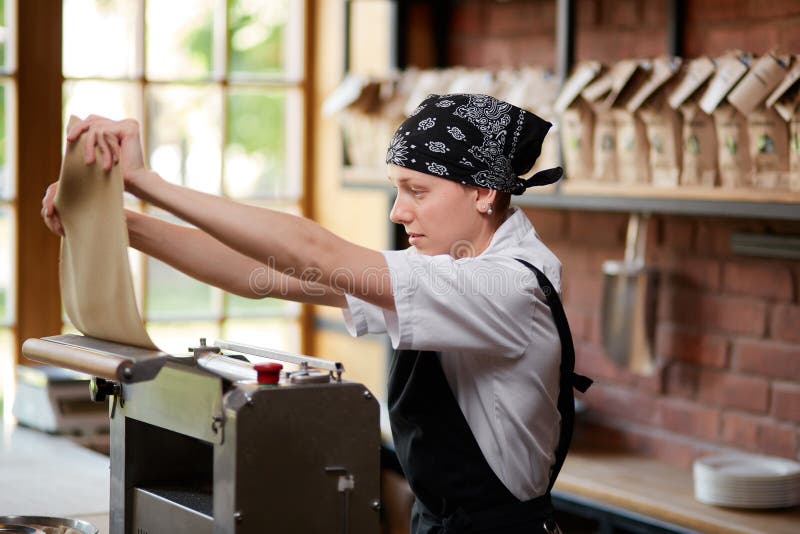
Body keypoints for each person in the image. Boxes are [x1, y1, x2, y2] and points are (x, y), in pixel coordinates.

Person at [43, 93, 590, 534]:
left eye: (417, 191)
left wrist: (148, 184)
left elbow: (315, 252)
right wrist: (122, 224)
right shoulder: (450, 271)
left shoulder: (503, 286)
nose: (399, 212)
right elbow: (265, 274)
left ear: (484, 193)